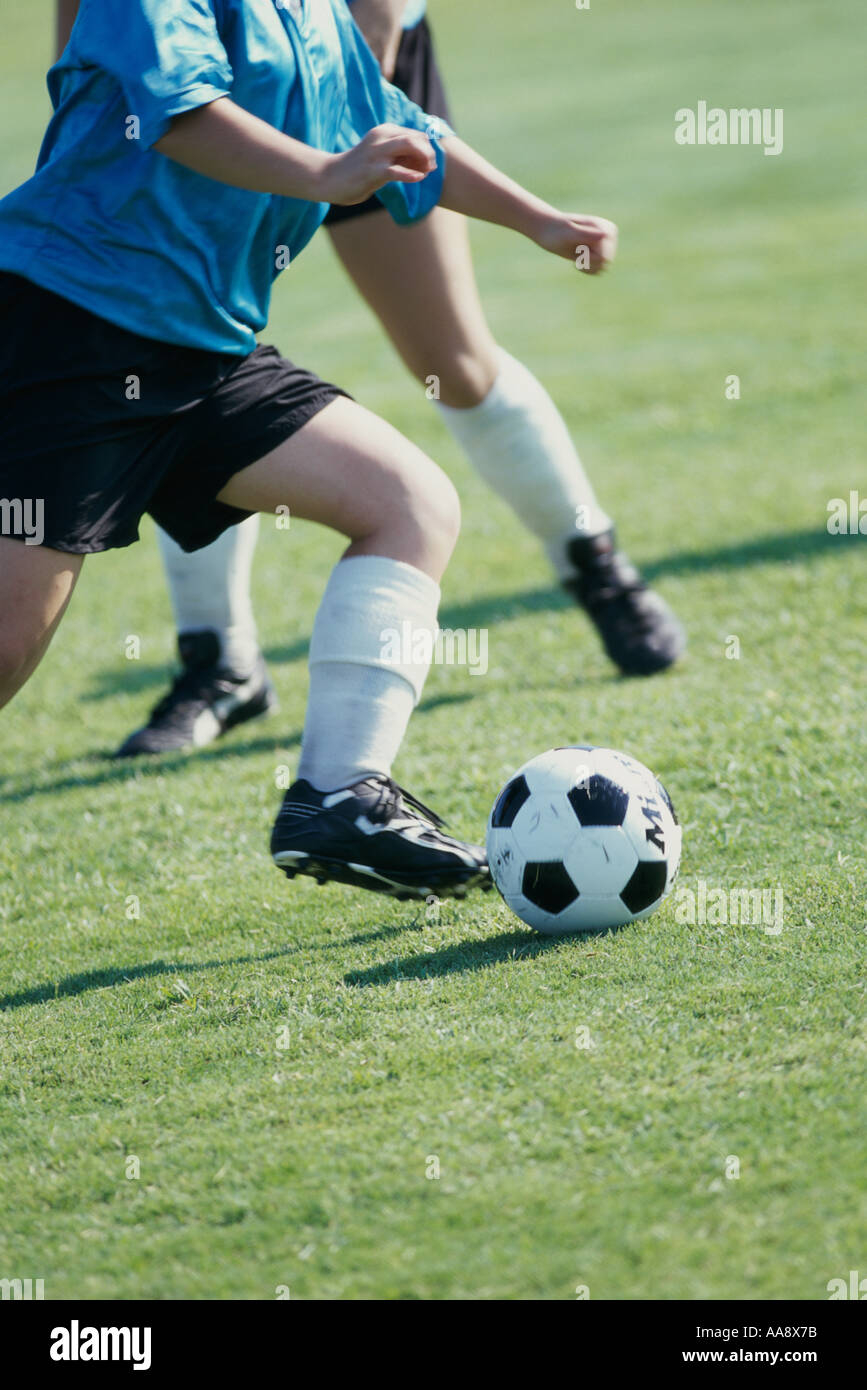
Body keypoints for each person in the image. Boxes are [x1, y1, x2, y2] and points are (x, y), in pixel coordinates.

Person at [1, 0, 620, 899]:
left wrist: (538, 220)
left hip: (208, 351)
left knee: (407, 502)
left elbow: (405, 135)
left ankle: (338, 795)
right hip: (73, 331)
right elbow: (176, 113)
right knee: (9, 647)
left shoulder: (315, 13)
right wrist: (326, 172)